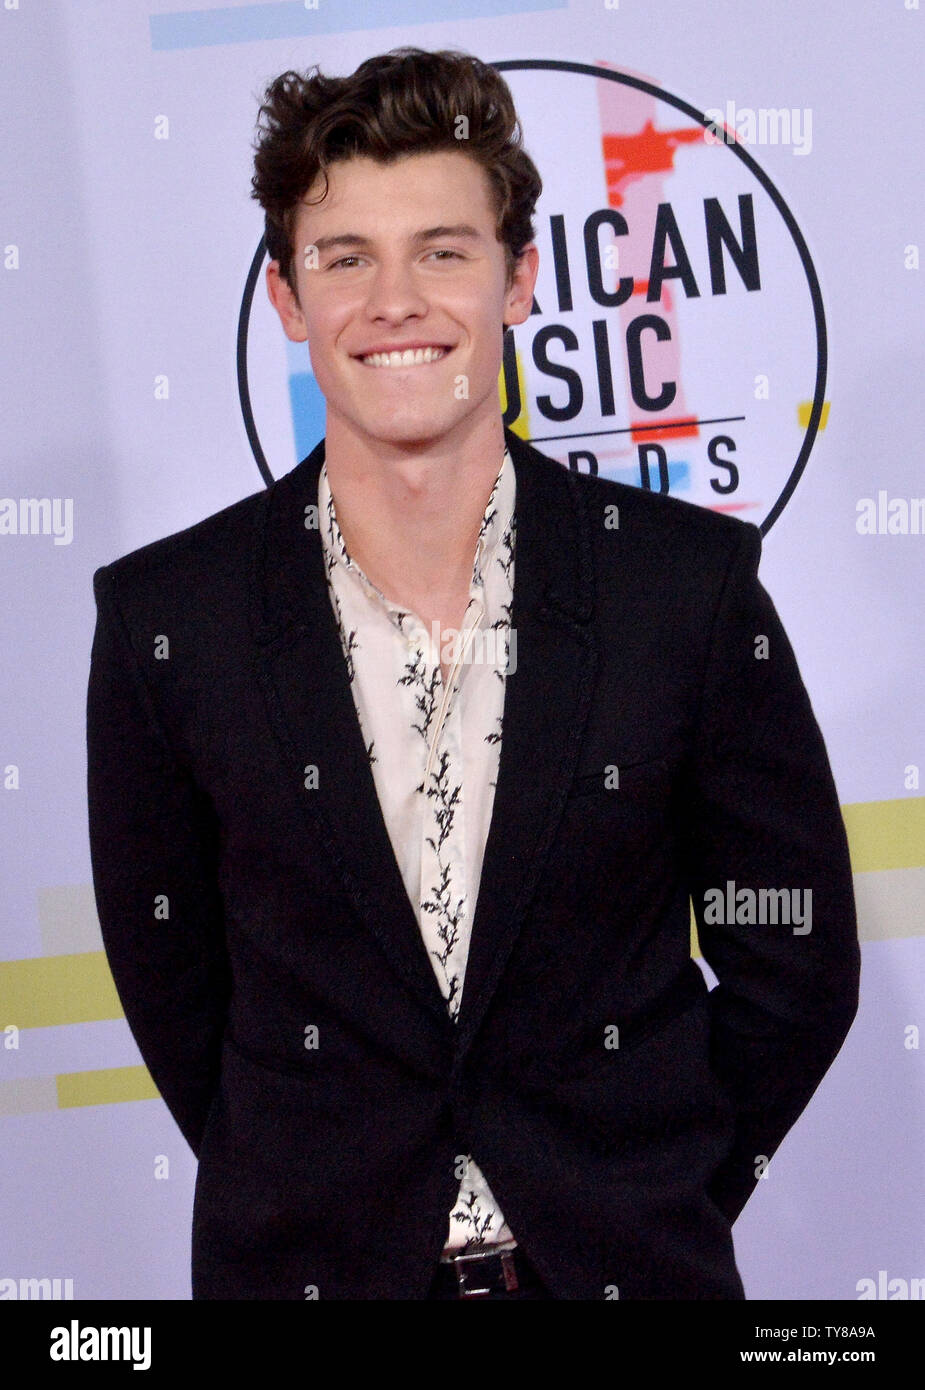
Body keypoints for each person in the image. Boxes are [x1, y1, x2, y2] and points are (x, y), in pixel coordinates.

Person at [86, 47, 860, 1301]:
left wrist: (643, 1181)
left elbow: (799, 956)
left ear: (519, 281)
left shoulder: (683, 587)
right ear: (289, 297)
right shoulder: (168, 618)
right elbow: (174, 987)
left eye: (443, 250)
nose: (397, 301)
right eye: (347, 258)